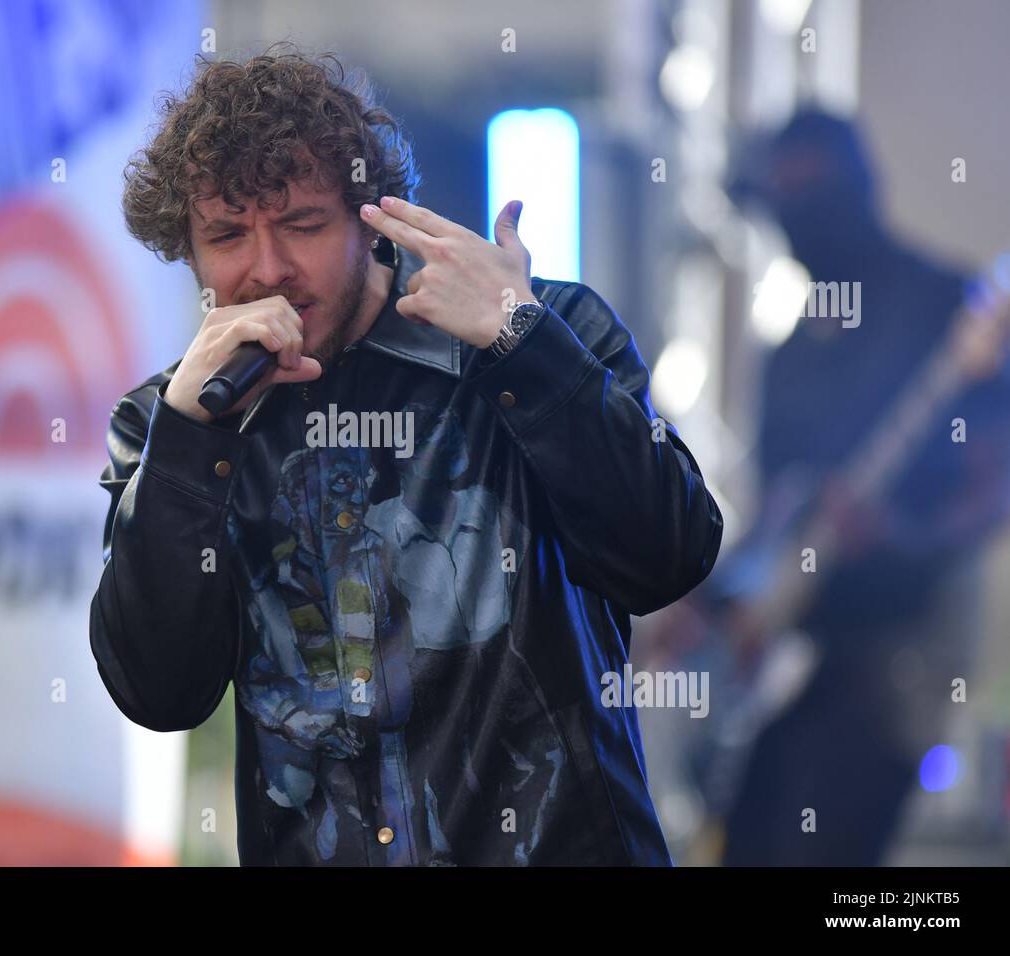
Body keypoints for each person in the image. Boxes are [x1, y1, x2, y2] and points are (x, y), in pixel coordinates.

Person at [88, 43, 723, 866]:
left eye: (302, 223)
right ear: (190, 249)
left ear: (372, 217)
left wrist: (524, 345)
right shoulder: (169, 424)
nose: (267, 267)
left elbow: (669, 554)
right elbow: (159, 692)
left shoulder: (541, 332)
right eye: (226, 236)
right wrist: (187, 446)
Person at [711, 109, 1010, 865]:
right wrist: (716, 602)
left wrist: (903, 537)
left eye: (812, 187)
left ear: (857, 184)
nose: (797, 208)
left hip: (901, 653)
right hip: (801, 652)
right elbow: (776, 512)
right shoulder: (789, 356)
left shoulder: (945, 306)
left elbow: (993, 482)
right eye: (782, 193)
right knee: (745, 839)